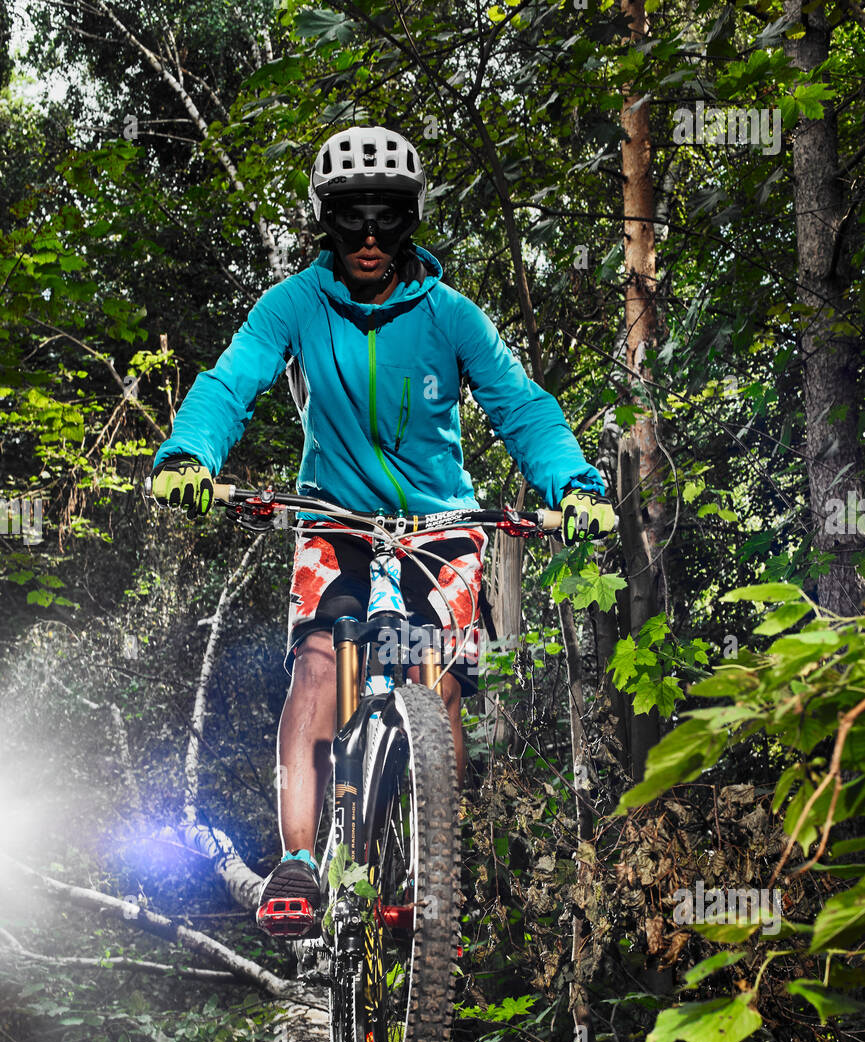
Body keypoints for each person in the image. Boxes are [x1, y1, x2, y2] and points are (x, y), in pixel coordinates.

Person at [150, 125, 616, 934]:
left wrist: (571, 484)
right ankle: (299, 863)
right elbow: (231, 382)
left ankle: (429, 869)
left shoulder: (451, 316)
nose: (368, 237)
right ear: (324, 220)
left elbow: (521, 406)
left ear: (412, 220)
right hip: (334, 518)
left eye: (388, 217)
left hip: (441, 525)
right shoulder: (293, 305)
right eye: (350, 217)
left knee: (431, 681)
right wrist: (189, 454)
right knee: (320, 671)